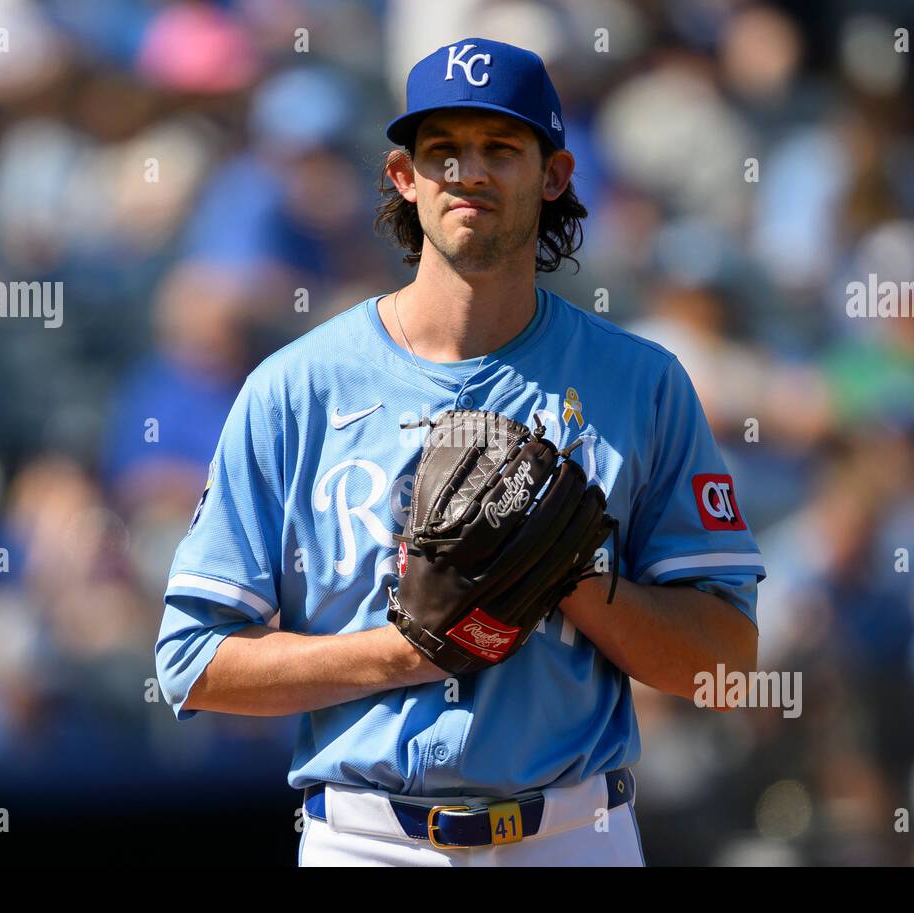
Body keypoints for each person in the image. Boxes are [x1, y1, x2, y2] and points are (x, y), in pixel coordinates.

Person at [154, 37, 765, 866]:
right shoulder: (298, 388)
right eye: (442, 150)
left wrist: (572, 579)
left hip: (572, 832)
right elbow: (192, 663)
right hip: (367, 838)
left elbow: (726, 666)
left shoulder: (640, 383)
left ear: (554, 176)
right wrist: (409, 651)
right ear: (404, 177)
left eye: (501, 148)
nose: (468, 172)